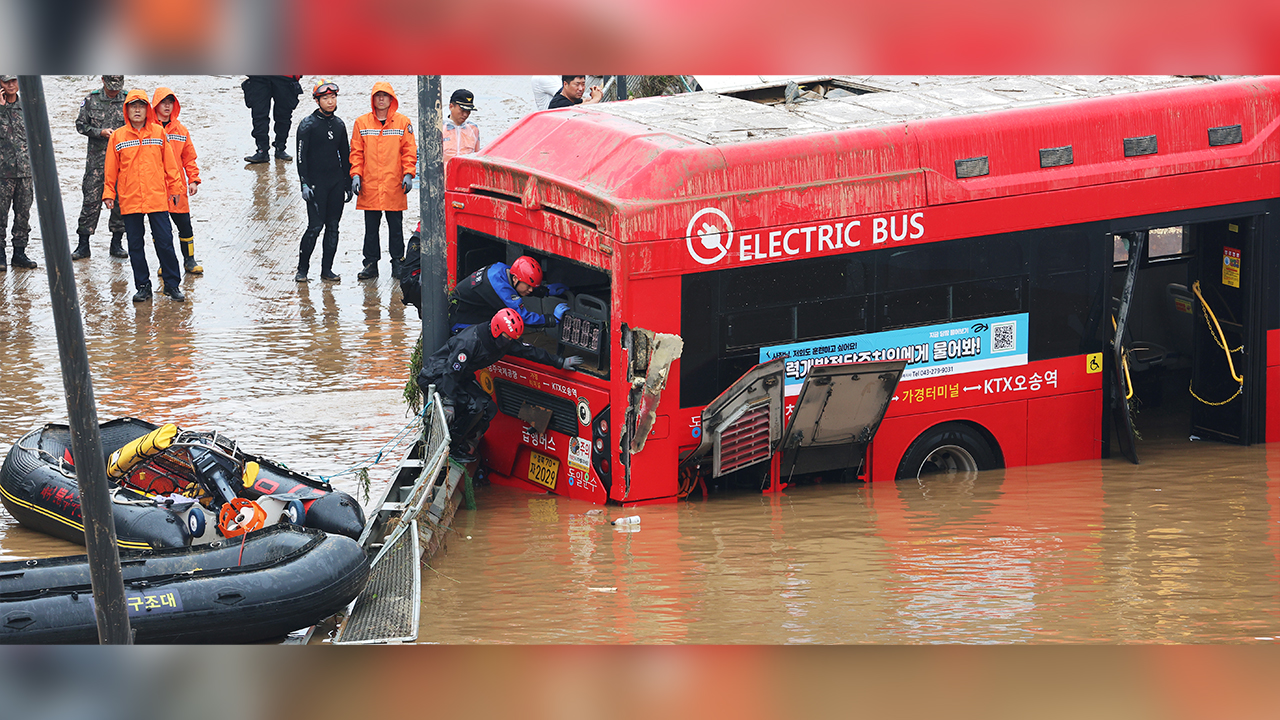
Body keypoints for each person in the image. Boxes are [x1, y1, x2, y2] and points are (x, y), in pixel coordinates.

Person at [418, 308, 583, 462]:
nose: (510, 341)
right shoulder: (469, 342)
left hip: (459, 377)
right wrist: (449, 402)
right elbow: (450, 371)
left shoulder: (503, 341)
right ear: (497, 330)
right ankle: (451, 447)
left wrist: (559, 362)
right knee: (474, 407)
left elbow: (530, 351)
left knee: (488, 408)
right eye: (507, 337)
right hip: (437, 376)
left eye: (512, 338)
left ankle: (462, 440)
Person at [103, 89, 186, 303]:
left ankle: (172, 285)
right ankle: (143, 286)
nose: (137, 110)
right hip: (130, 198)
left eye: (141, 106)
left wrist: (175, 188)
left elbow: (170, 164)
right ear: (127, 110)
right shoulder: (118, 136)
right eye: (133, 106)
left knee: (165, 241)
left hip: (157, 197)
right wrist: (109, 193)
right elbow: (111, 169)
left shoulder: (158, 133)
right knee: (135, 245)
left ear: (147, 109)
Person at [349, 81, 416, 281]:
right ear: (373, 99)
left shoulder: (403, 123)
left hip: (394, 184)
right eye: (378, 95)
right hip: (370, 185)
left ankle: (398, 262)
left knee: (396, 228)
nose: (381, 99)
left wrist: (408, 174)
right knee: (371, 229)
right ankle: (370, 264)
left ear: (391, 99)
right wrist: (356, 175)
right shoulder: (361, 123)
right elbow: (356, 153)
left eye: (385, 95)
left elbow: (409, 151)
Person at [294, 79, 350, 283]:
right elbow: (301, 158)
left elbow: (345, 156)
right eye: (325, 98)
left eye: (333, 97)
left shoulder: (339, 124)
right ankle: (302, 270)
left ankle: (327, 270)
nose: (330, 101)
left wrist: (348, 182)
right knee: (315, 227)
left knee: (333, 227)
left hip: (335, 183)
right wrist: (304, 183)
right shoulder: (307, 125)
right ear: (317, 101)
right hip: (316, 184)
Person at [72, 74, 127, 260]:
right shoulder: (91, 100)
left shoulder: (129, 101)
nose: (114, 90)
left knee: (120, 202)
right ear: (103, 80)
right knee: (90, 202)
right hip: (96, 162)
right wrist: (99, 132)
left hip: (121, 162)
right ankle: (83, 245)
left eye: (117, 87)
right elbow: (80, 125)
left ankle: (117, 243)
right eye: (111, 86)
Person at [151, 86, 203, 275]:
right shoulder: (149, 130)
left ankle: (189, 260)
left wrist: (193, 179)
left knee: (184, 225)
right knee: (160, 230)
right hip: (156, 187)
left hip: (177, 186)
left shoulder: (181, 130)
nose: (167, 106)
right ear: (155, 105)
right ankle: (164, 263)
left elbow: (189, 158)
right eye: (163, 103)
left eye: (170, 103)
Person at [448, 255, 570, 334]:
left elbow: (520, 285)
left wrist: (544, 291)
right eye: (529, 287)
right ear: (515, 278)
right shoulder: (500, 289)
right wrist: (552, 319)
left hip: (472, 309)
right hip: (461, 323)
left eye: (533, 287)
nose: (530, 290)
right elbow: (522, 318)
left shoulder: (502, 269)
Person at [0, 75, 36, 270]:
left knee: (23, 214)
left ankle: (19, 253)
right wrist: (2, 109)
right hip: (3, 173)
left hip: (25, 172)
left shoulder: (28, 107)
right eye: (6, 82)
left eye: (14, 81)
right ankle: (0, 254)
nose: (11, 85)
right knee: (0, 215)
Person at [241, 75, 302, 163]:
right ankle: (262, 150)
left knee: (284, 115)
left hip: (285, 76)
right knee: (259, 115)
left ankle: (280, 148)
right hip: (259, 76)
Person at [442, 88, 479, 161]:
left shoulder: (473, 129)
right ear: (451, 106)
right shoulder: (439, 128)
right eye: (462, 110)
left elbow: (477, 156)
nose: (465, 114)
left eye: (468, 111)